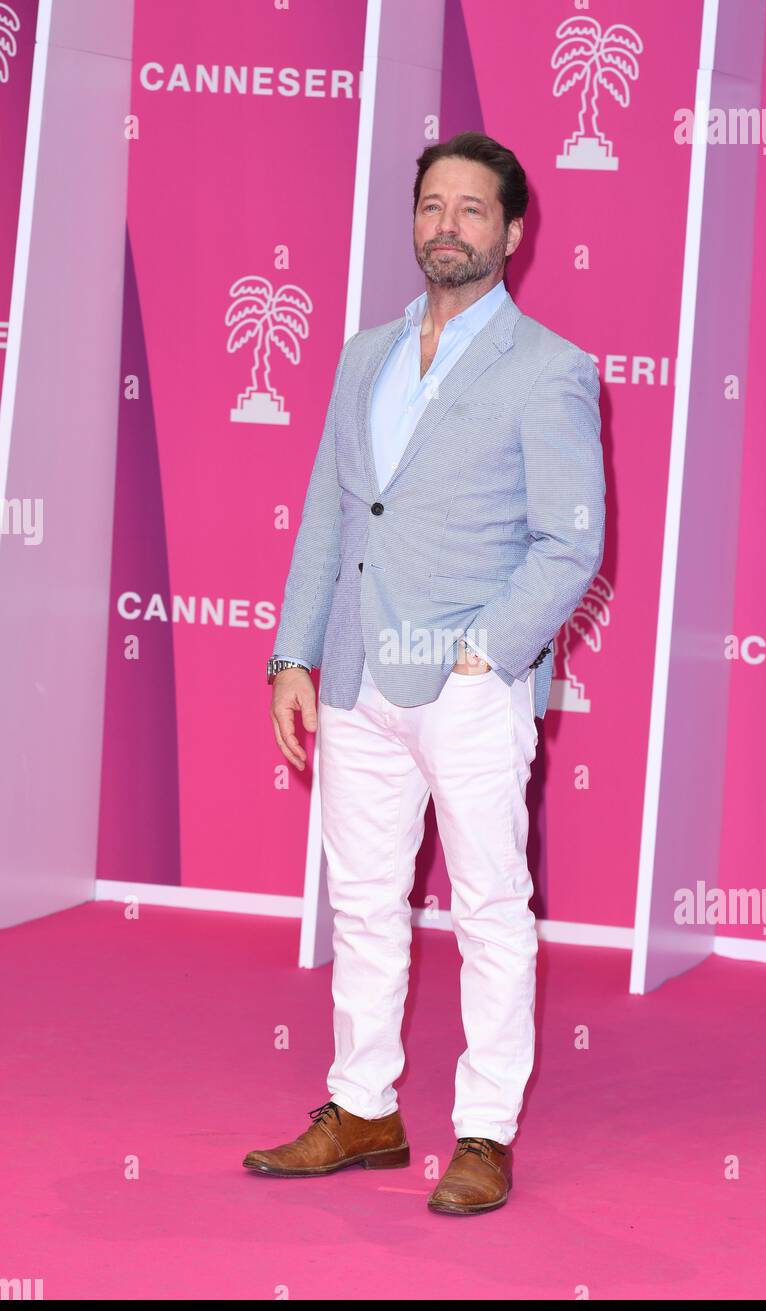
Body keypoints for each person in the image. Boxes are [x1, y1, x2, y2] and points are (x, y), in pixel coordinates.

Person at [243, 131, 605, 1215]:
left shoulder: (548, 368)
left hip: (465, 686)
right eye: (432, 206)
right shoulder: (365, 354)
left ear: (512, 231)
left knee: (490, 908)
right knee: (363, 903)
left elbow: (570, 542)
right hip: (357, 676)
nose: (447, 226)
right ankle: (362, 1108)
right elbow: (331, 514)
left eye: (471, 209)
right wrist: (294, 654)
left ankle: (484, 1132)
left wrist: (481, 653)